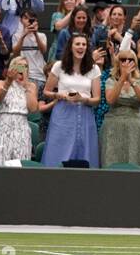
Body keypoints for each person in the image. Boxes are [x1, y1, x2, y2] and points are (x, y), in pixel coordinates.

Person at [41, 34, 101, 167]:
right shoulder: (59, 66)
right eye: (77, 44)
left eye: (84, 44)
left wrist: (83, 99)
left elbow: (97, 99)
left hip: (85, 114)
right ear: (70, 47)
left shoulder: (94, 68)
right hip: (63, 114)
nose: (81, 47)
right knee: (58, 153)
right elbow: (46, 92)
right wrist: (60, 96)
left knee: (85, 154)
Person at [101, 49, 140, 167]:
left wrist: (131, 81)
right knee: (112, 159)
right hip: (113, 125)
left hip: (134, 125)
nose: (127, 62)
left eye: (131, 60)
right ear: (118, 63)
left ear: (135, 63)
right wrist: (122, 78)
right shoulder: (110, 81)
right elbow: (110, 100)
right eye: (123, 59)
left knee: (134, 160)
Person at [0, 56, 39, 164]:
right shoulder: (1, 83)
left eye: (25, 67)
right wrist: (8, 81)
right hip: (3, 126)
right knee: (0, 162)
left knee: (20, 164)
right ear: (12, 68)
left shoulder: (31, 86)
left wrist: (26, 85)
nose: (22, 69)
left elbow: (33, 108)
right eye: (19, 66)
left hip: (22, 128)